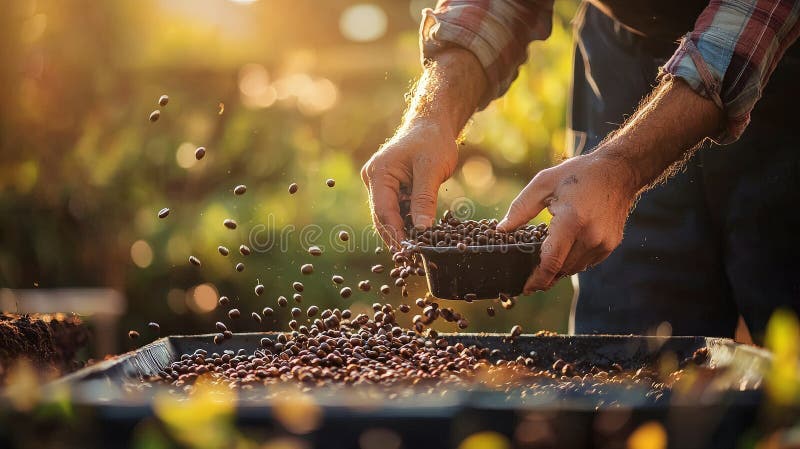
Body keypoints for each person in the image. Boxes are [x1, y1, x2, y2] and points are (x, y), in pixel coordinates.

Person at [361, 0, 800, 343]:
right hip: (625, 49)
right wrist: (431, 115)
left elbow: (749, 23)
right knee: (628, 342)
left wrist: (622, 166)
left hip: (779, 60)